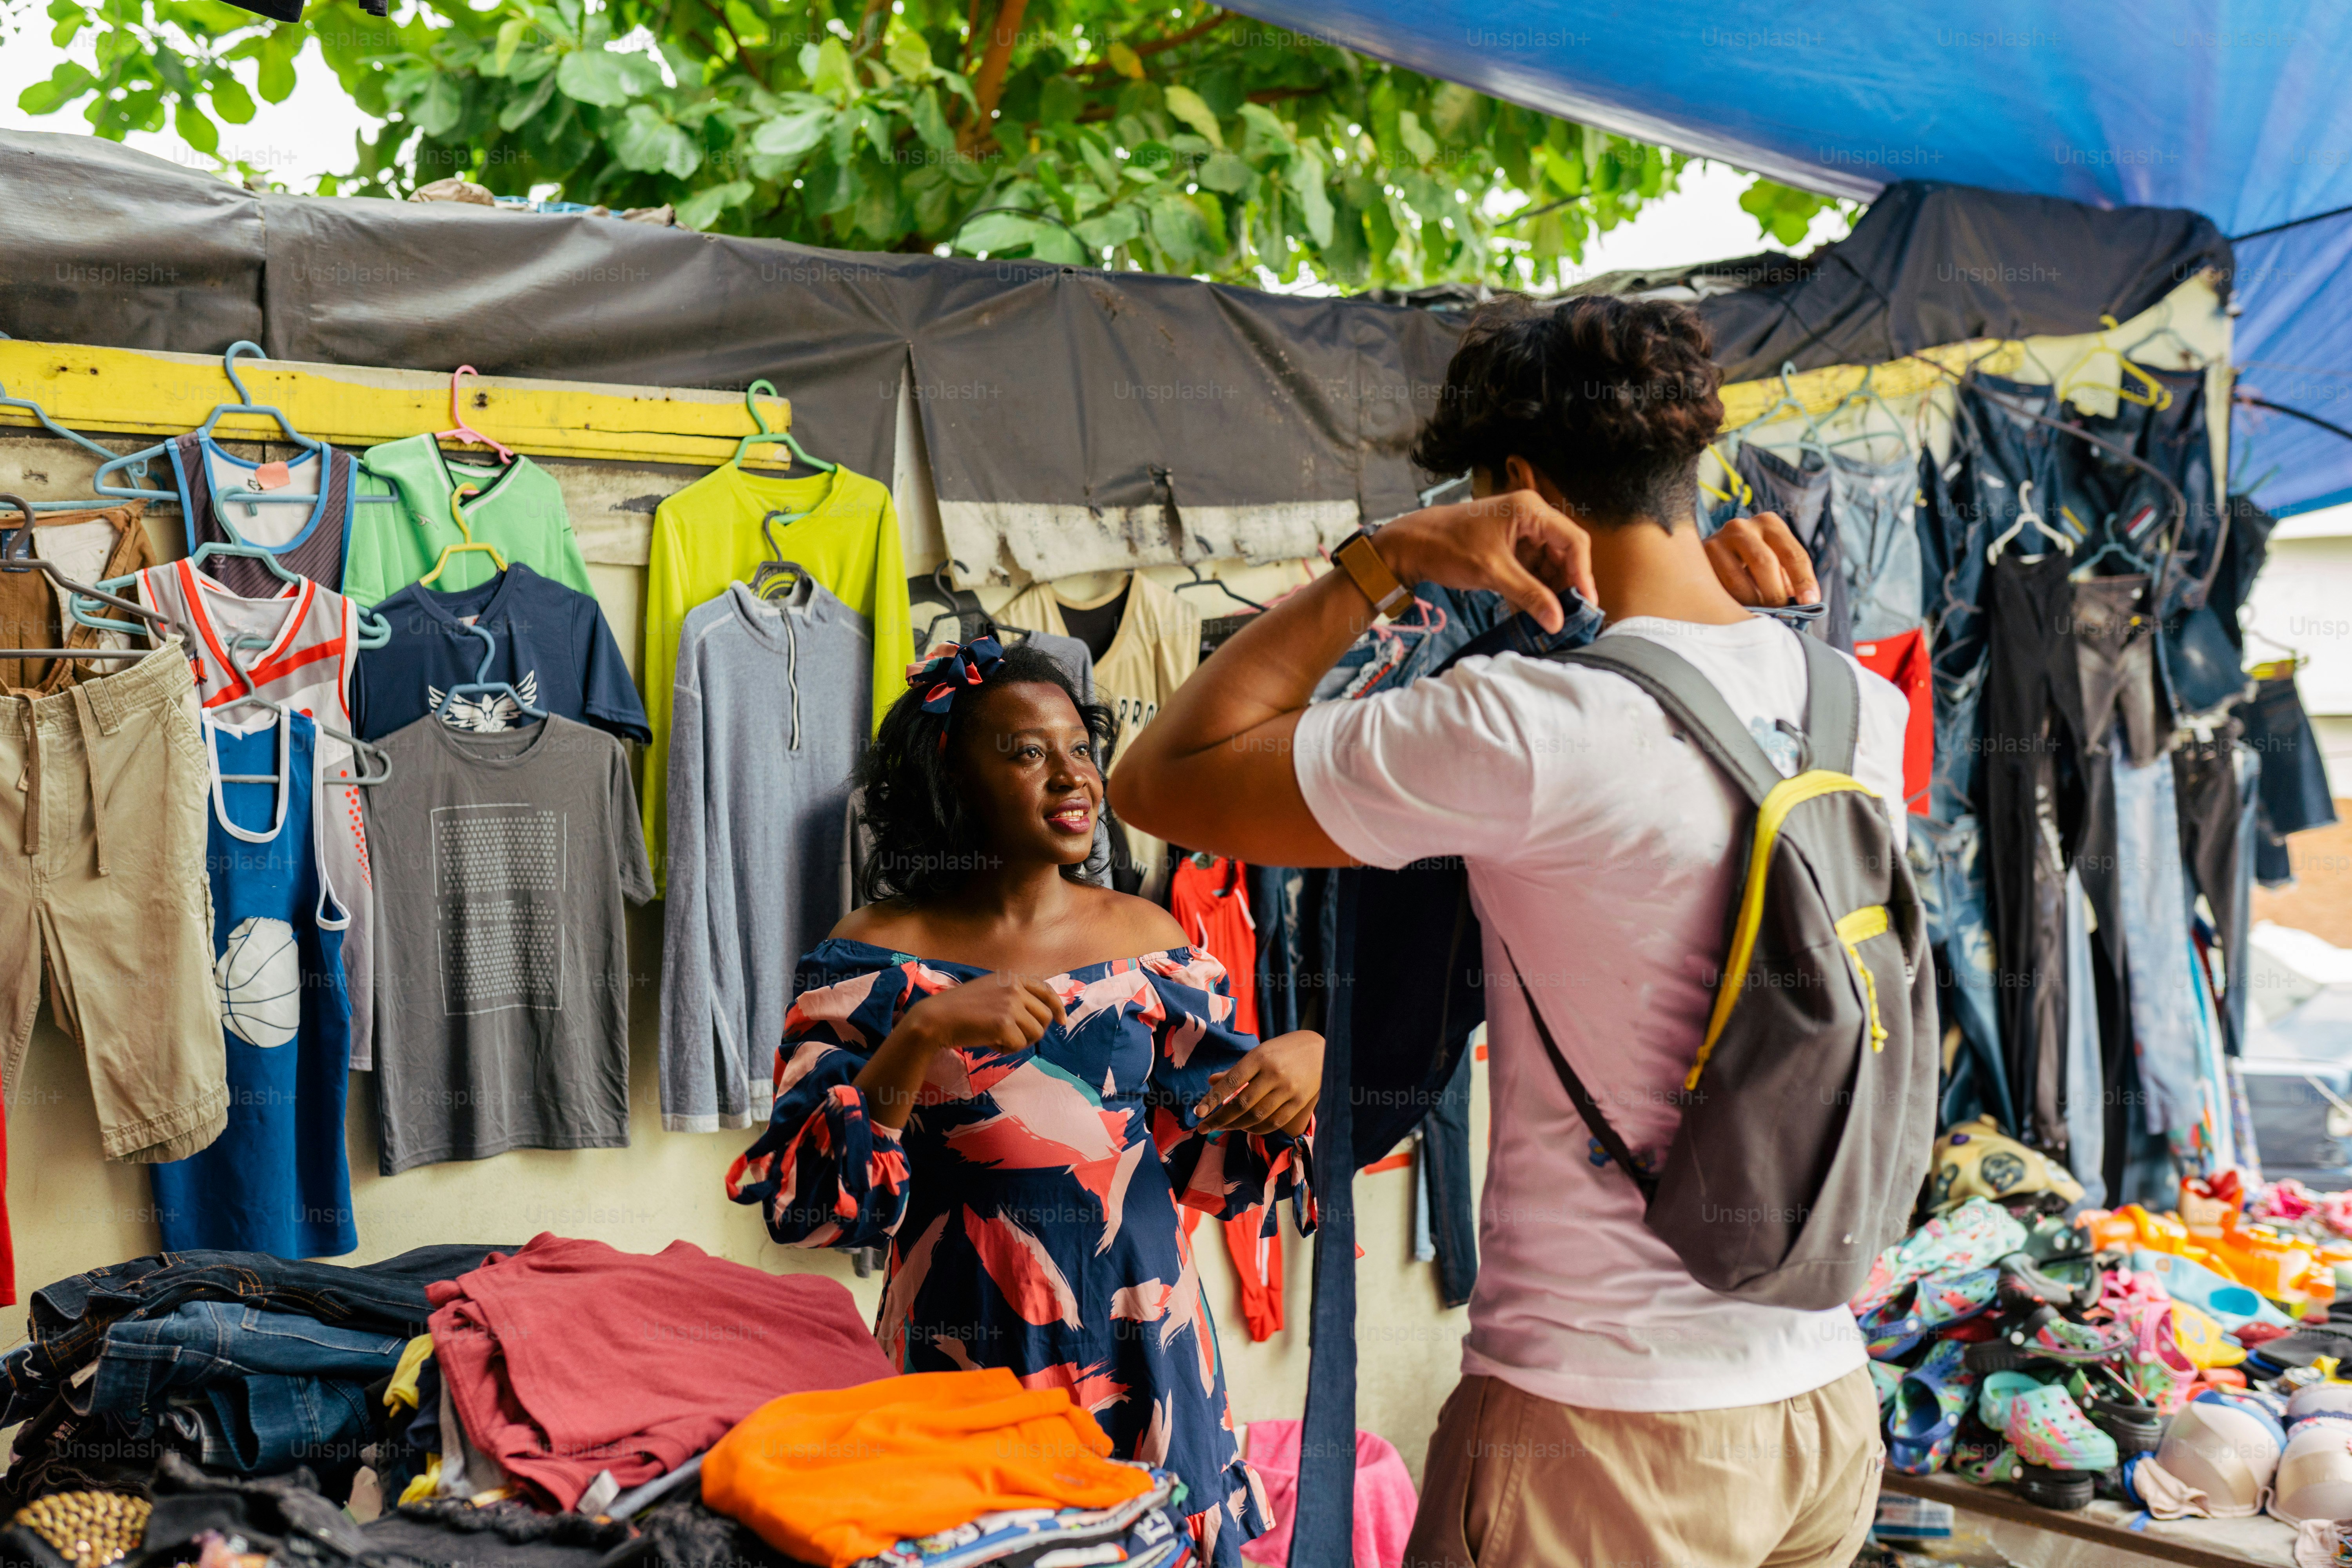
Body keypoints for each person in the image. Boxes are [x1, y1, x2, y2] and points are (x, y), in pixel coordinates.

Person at [1111, 295, 1909, 1567]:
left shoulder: (1522, 725)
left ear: (1517, 491)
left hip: (1604, 1429)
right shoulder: (1855, 700)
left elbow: (1162, 776)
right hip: (1820, 1404)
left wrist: (1383, 560)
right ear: (1688, 464)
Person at [727, 637, 1323, 1568]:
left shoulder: (1149, 942)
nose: (1072, 775)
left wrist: (1311, 1060)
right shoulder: (871, 956)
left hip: (1143, 1338)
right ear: (951, 779)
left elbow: (1219, 1152)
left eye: (1080, 748)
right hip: (962, 1343)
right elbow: (808, 1203)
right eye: (1028, 753)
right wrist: (923, 1032)